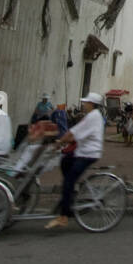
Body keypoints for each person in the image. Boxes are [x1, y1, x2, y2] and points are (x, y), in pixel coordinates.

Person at [46, 92, 105, 229]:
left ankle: (64, 216)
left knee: (68, 181)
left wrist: (59, 142)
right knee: (65, 161)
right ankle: (70, 197)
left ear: (91, 104)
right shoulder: (93, 116)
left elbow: (73, 133)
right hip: (82, 151)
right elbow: (75, 133)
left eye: (86, 102)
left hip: (88, 154)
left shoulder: (92, 117)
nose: (83, 104)